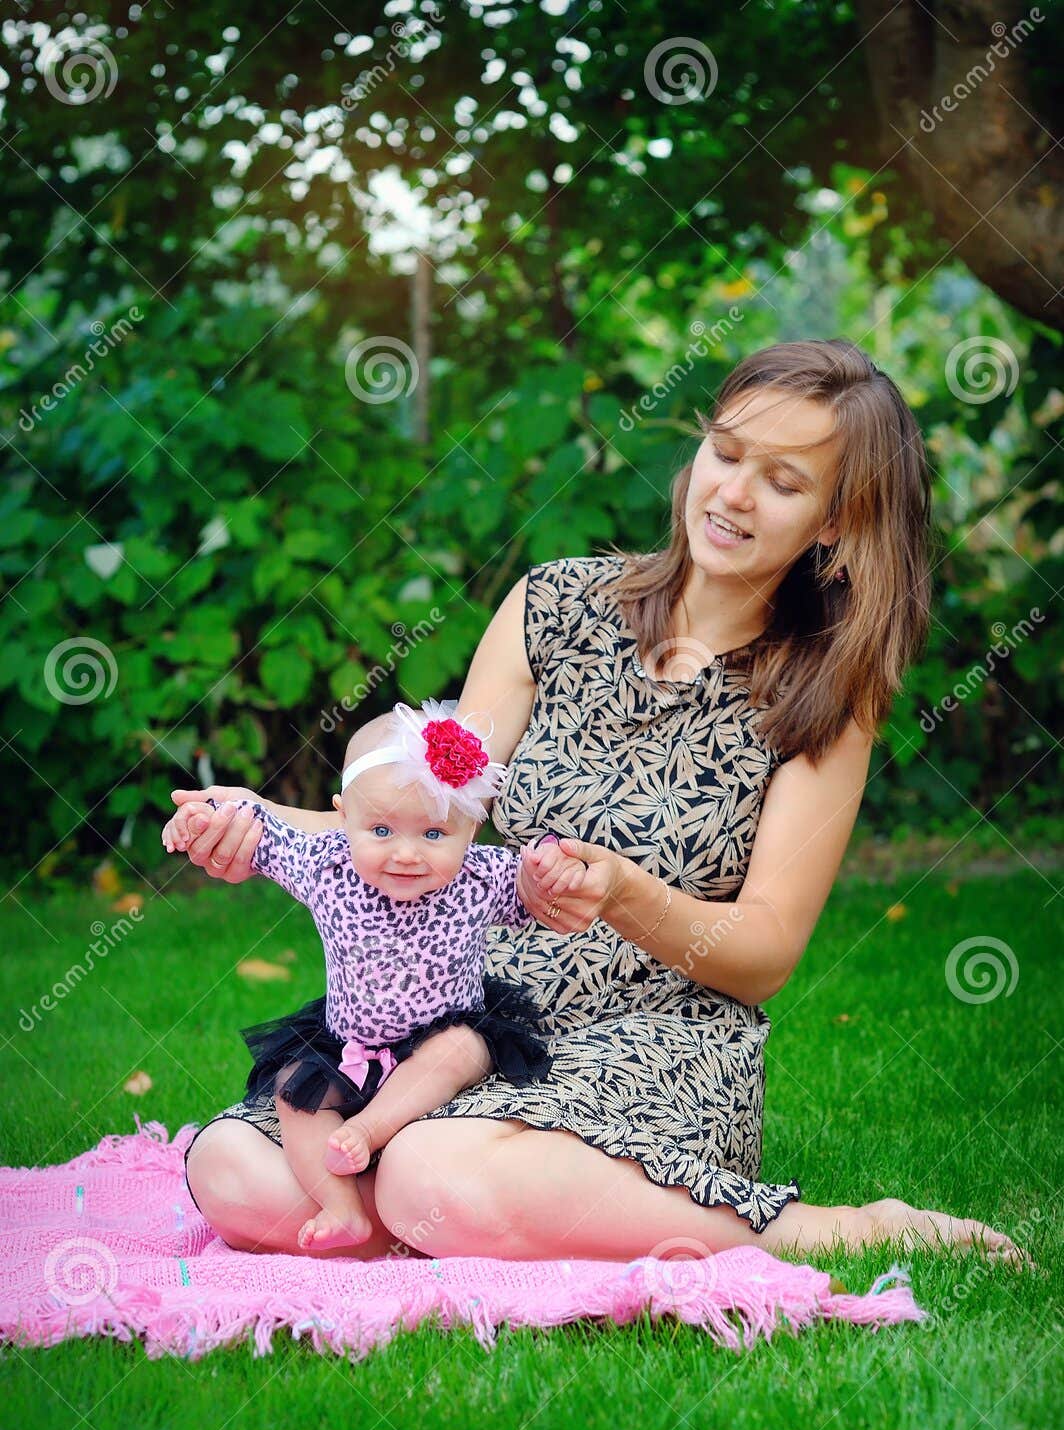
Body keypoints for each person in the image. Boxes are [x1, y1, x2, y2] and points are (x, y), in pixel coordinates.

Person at [167, 339, 1029, 1268]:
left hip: (658, 1038)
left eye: (782, 482)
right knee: (231, 1171)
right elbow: (418, 821)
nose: (733, 493)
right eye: (726, 451)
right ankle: (463, 1212)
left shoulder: (821, 696)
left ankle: (820, 1231)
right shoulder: (553, 607)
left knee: (427, 1173)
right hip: (469, 1019)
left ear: (835, 521)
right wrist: (252, 821)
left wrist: (622, 892)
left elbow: (766, 953)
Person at [163, 701, 566, 1251]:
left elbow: (533, 888)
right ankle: (342, 1207)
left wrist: (546, 869)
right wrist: (204, 819)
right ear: (343, 816)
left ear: (471, 827)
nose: (406, 853)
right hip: (350, 1042)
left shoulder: (478, 876)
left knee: (459, 1049)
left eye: (434, 833)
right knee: (295, 1093)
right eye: (380, 829)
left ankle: (368, 1129)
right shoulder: (326, 865)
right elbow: (259, 832)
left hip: (445, 1031)